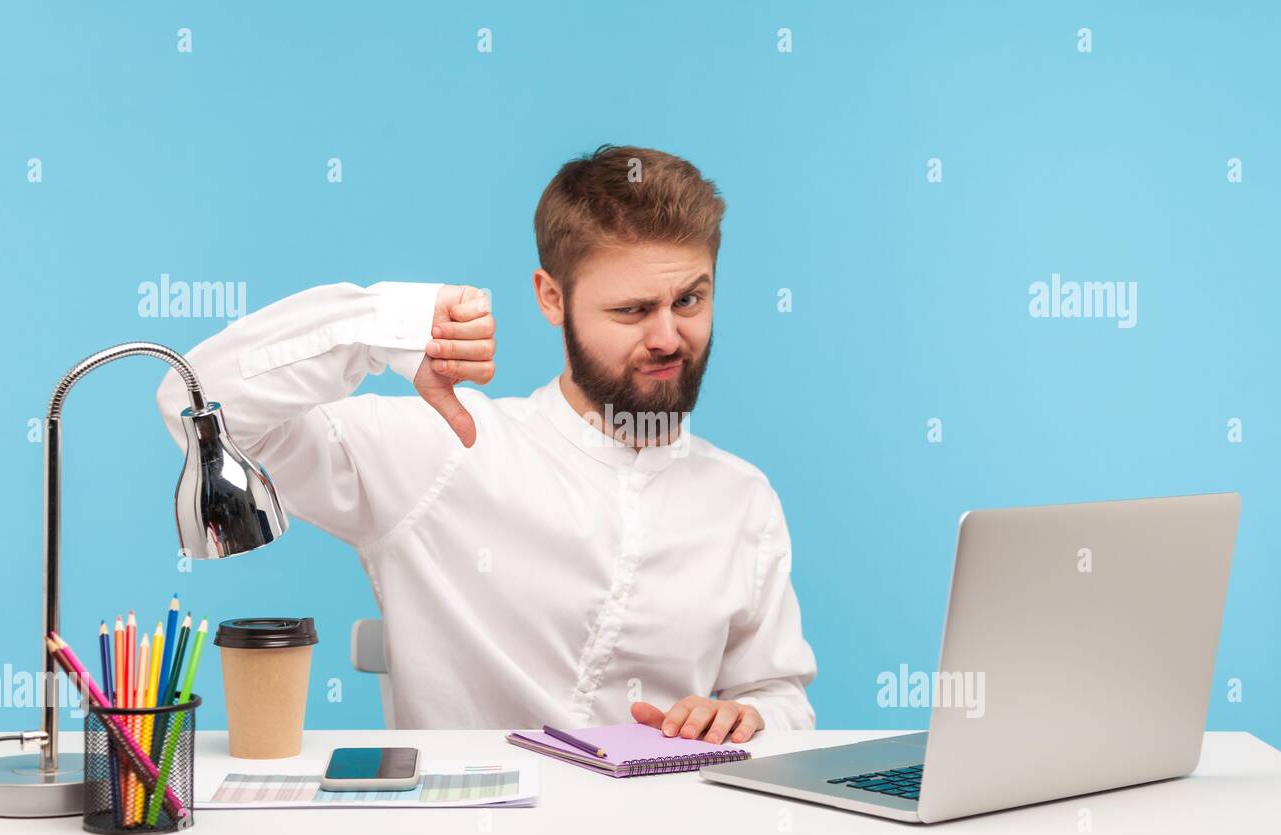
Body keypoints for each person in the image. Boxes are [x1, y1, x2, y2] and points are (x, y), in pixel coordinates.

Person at [157, 144, 816, 743]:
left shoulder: (743, 500)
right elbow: (193, 398)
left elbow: (778, 694)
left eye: (690, 300)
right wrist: (390, 326)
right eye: (634, 310)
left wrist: (752, 716)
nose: (669, 337)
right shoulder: (442, 449)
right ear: (552, 298)